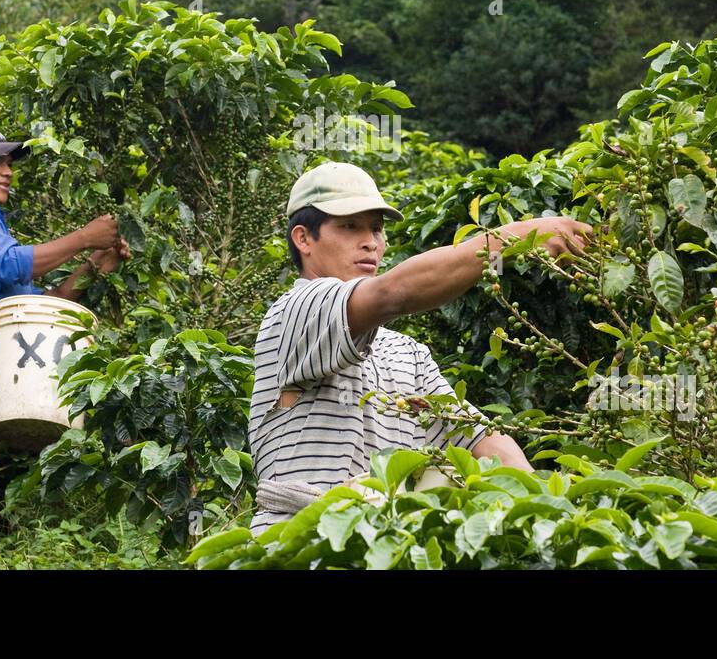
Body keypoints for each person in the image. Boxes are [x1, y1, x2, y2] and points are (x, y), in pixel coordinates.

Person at [248, 160, 591, 532]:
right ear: (303, 239)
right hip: (295, 543)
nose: (370, 242)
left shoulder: (408, 354)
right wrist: (513, 238)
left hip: (379, 546)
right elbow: (393, 292)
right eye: (349, 226)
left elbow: (478, 437)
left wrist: (551, 509)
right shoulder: (295, 312)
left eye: (376, 229)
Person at [0, 125, 131, 553]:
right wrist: (83, 237)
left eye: (9, 163)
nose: (8, 171)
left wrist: (95, 265)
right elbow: (11, 264)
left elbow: (40, 308)